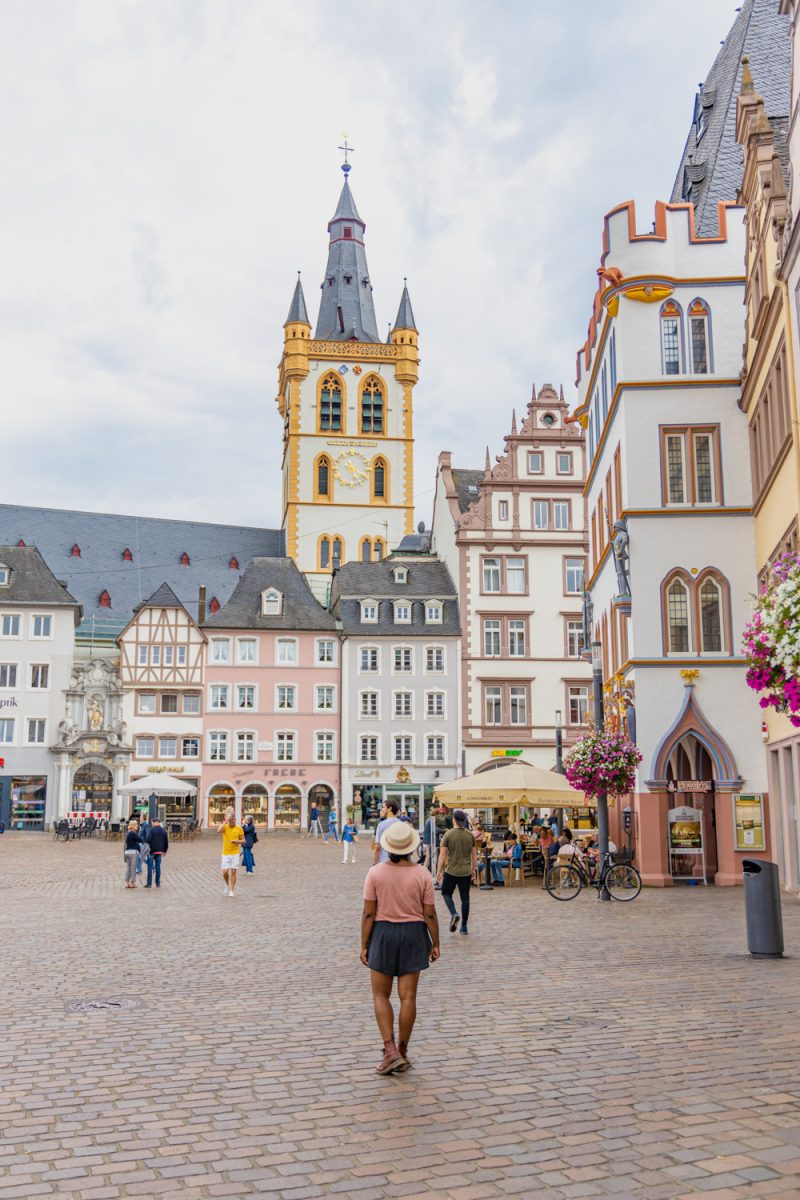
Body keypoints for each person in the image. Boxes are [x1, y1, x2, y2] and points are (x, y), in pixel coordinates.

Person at [361, 820, 440, 1074]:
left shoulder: (375, 873)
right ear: (411, 848)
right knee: (408, 997)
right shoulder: (422, 874)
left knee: (380, 995)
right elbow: (429, 914)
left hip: (384, 933)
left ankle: (390, 1050)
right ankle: (403, 1050)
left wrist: (364, 944)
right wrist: (435, 942)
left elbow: (368, 914)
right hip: (414, 934)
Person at [437, 810, 477, 936]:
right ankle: (464, 927)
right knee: (465, 899)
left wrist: (439, 871)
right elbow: (474, 855)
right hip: (465, 871)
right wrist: (474, 869)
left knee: (446, 892)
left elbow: (442, 855)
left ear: (454, 819)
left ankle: (454, 913)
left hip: (451, 871)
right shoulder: (470, 835)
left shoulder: (448, 835)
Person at [218, 807, 244, 897]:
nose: (232, 822)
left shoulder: (239, 828)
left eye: (234, 820)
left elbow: (244, 840)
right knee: (225, 872)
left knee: (233, 871)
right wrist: (225, 820)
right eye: (231, 820)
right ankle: (226, 884)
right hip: (225, 853)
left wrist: (237, 841)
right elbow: (218, 830)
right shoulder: (225, 827)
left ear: (235, 820)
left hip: (235, 853)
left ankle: (232, 890)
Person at [373, 799, 400, 864]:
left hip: (384, 862)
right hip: (398, 862)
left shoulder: (381, 825)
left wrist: (374, 864)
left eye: (383, 807)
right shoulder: (401, 824)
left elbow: (377, 847)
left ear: (389, 808)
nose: (382, 809)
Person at [145, 818, 169, 888]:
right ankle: (157, 883)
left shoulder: (151, 830)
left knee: (150, 867)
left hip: (152, 851)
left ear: (154, 822)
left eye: (152, 822)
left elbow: (148, 839)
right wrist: (164, 851)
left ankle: (149, 884)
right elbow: (166, 842)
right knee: (158, 867)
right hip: (159, 852)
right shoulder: (163, 831)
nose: (151, 824)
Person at [123, 820, 143, 889]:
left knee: (128, 868)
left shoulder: (128, 833)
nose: (137, 826)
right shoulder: (133, 834)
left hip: (127, 852)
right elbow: (140, 840)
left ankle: (126, 883)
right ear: (134, 826)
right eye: (136, 825)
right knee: (133, 868)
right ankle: (132, 883)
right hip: (133, 852)